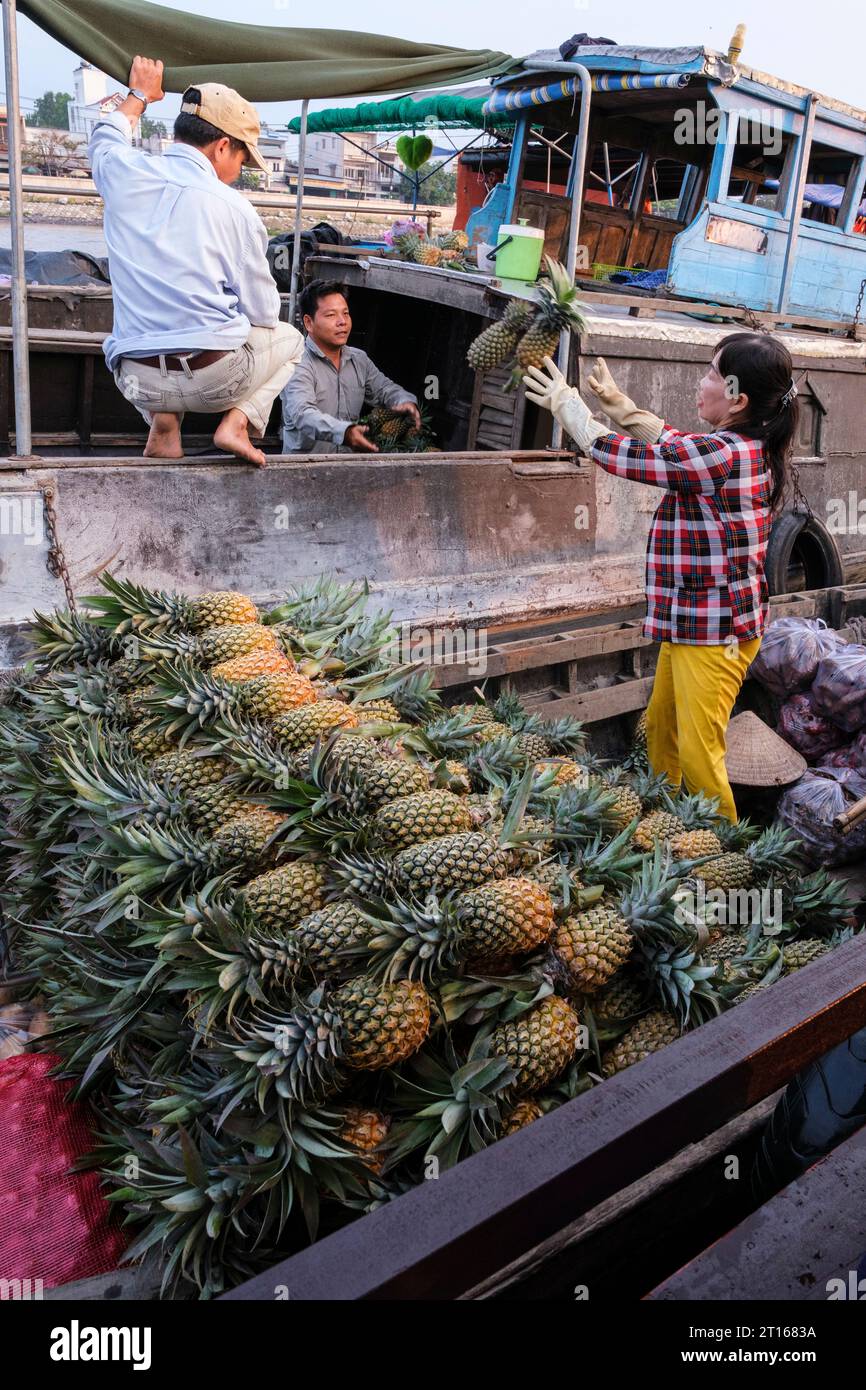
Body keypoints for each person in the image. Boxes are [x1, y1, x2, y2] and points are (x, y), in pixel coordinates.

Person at [524, 332, 798, 822]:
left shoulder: (725, 455)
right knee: (662, 730)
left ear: (738, 397)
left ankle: (723, 858)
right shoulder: (738, 446)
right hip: (696, 619)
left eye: (712, 373)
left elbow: (628, 458)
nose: (701, 381)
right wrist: (620, 405)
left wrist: (572, 411)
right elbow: (675, 442)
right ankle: (672, 825)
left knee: (699, 754)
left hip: (715, 632)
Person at [90, 55, 304, 467]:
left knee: (155, 329)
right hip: (214, 383)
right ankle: (238, 424)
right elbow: (263, 313)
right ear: (222, 145)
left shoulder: (122, 171)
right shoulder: (235, 209)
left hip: (135, 382)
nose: (239, 172)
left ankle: (163, 427)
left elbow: (104, 136)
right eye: (242, 160)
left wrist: (139, 95)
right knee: (291, 340)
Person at [281, 281, 420, 453]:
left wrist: (404, 400)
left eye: (345, 313)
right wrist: (343, 432)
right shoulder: (297, 363)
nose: (342, 322)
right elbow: (303, 414)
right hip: (304, 473)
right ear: (309, 323)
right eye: (331, 315)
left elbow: (385, 388)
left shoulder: (359, 359)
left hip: (347, 468)